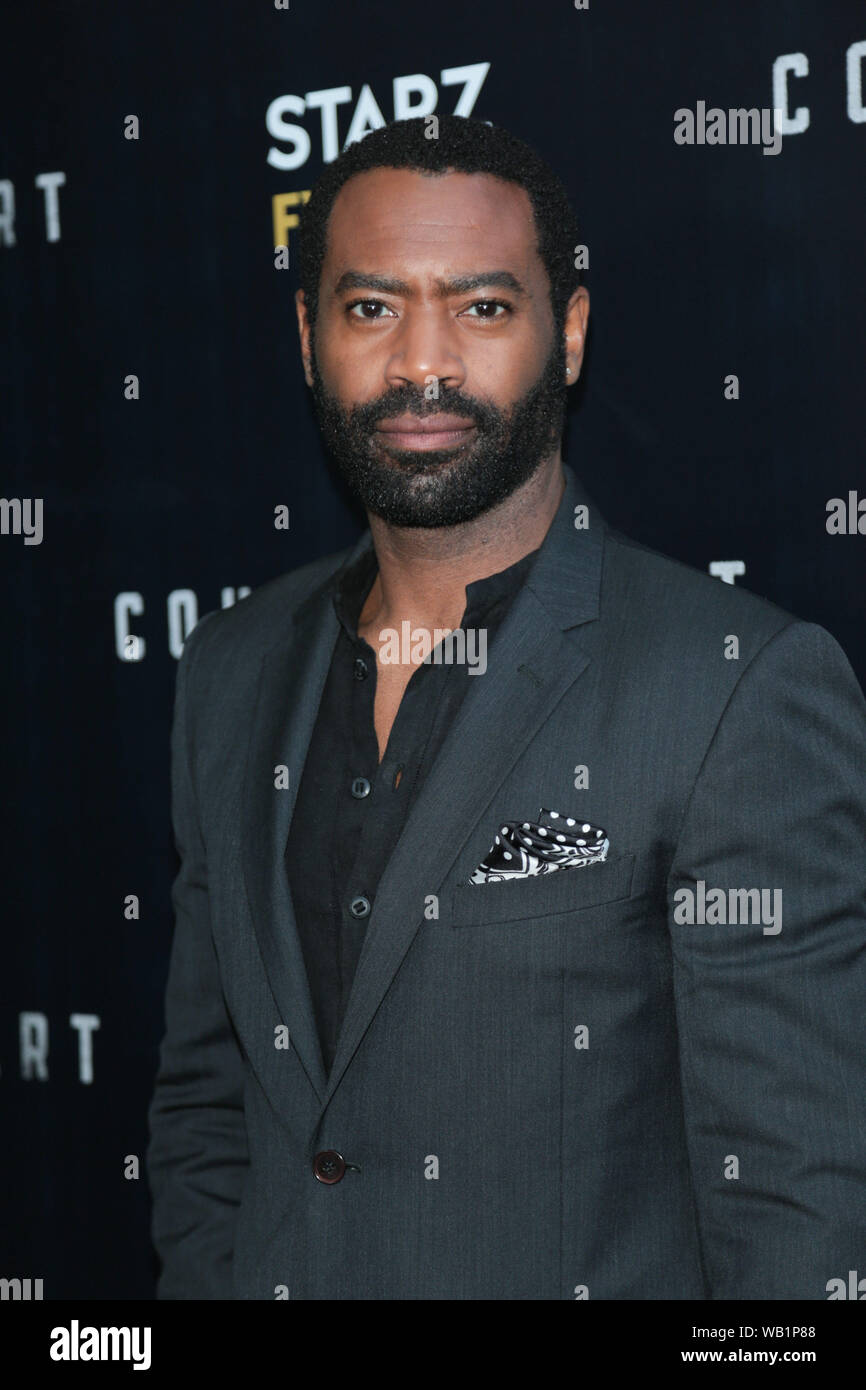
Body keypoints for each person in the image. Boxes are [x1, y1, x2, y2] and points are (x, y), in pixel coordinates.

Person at [147, 114, 866, 1300]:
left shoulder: (733, 687)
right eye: (370, 307)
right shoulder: (228, 672)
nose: (420, 365)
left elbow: (797, 1201)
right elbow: (206, 1114)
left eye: (480, 308)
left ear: (567, 333)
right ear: (307, 337)